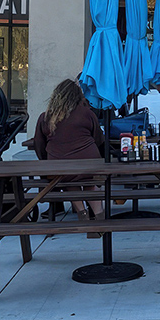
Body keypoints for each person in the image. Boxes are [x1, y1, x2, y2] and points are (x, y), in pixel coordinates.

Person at [33, 79, 105, 236]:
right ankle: (99, 218)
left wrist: (47, 161)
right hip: (90, 164)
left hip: (61, 167)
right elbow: (98, 139)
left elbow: (38, 145)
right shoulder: (87, 114)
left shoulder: (46, 117)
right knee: (89, 182)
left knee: (67, 179)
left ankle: (82, 214)